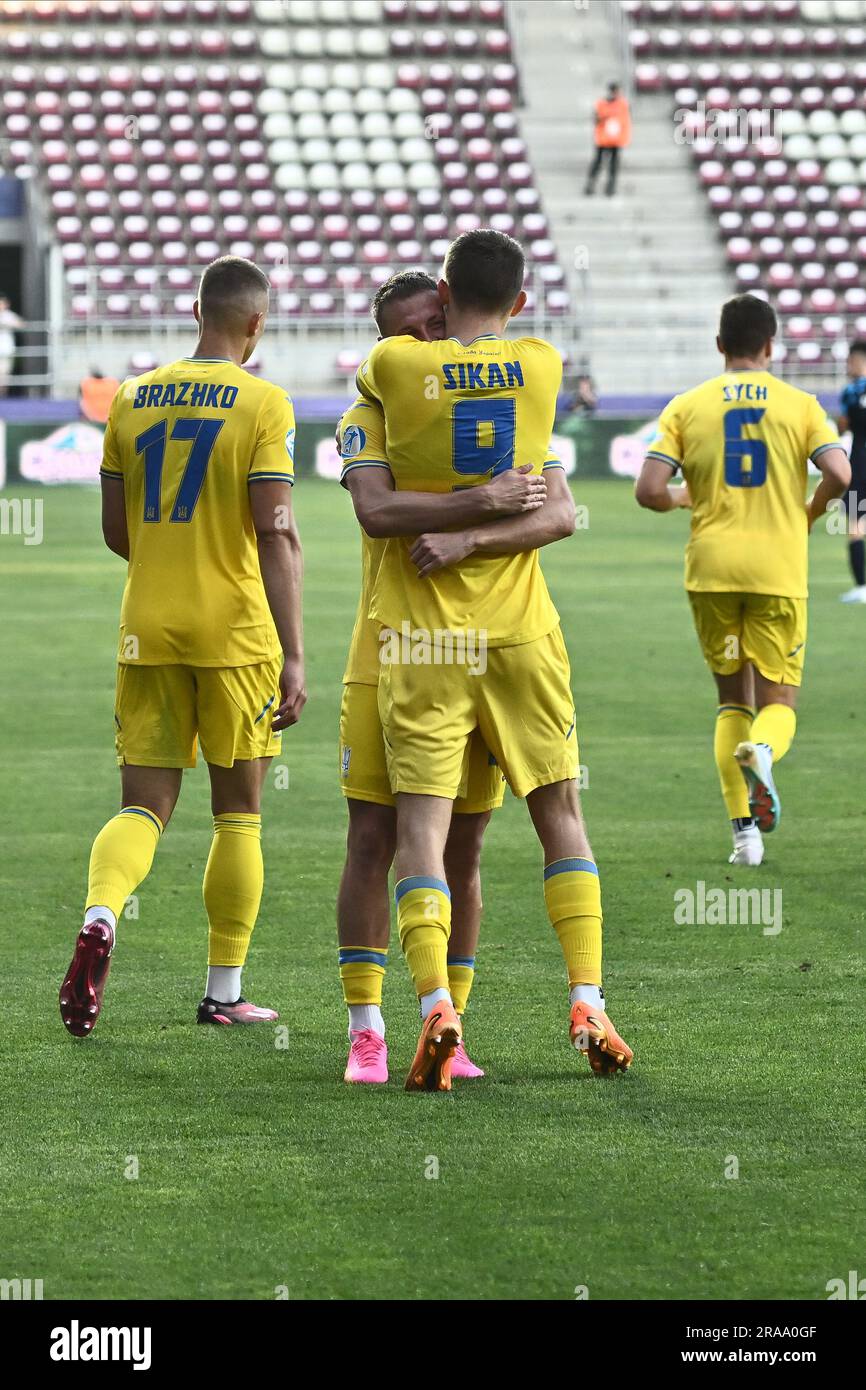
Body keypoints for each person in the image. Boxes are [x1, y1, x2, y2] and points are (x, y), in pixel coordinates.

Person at [355, 229, 633, 1091]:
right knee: (561, 816)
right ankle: (586, 996)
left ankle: (435, 1005)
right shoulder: (540, 368)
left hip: (422, 640)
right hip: (522, 636)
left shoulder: (390, 373)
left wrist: (460, 529)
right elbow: (554, 510)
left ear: (443, 292)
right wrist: (483, 506)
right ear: (519, 301)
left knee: (423, 836)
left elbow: (381, 495)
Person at [59, 256, 305, 1036]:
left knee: (143, 806)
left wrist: (171, 561)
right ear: (256, 324)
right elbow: (276, 530)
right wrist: (294, 654)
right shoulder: (264, 402)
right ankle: (224, 991)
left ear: (196, 309)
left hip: (148, 627)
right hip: (234, 634)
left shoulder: (131, 398)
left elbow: (114, 530)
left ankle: (102, 916)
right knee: (239, 818)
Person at [635, 294, 850, 867]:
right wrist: (808, 511)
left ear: (720, 346)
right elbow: (840, 471)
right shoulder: (800, 404)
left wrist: (686, 496)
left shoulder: (687, 406)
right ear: (771, 346)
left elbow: (649, 491)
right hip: (778, 568)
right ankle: (765, 753)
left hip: (711, 570)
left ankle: (744, 839)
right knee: (779, 699)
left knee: (732, 700)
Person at [836, 340, 866, 603]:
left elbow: (842, 426)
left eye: (851, 361)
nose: (849, 366)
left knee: (855, 524)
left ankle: (861, 587)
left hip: (859, 463)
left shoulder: (850, 392)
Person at [584, 82, 631, 197]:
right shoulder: (601, 104)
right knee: (598, 162)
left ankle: (611, 186)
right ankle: (591, 184)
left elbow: (626, 122)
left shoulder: (622, 104)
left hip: (616, 139)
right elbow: (596, 119)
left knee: (613, 165)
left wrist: (624, 138)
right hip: (603, 139)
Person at [0, 295, 24, 396]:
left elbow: (21, 324)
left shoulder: (9, 315)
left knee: (4, 375)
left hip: (5, 350)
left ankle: (2, 396)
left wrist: (7, 324)